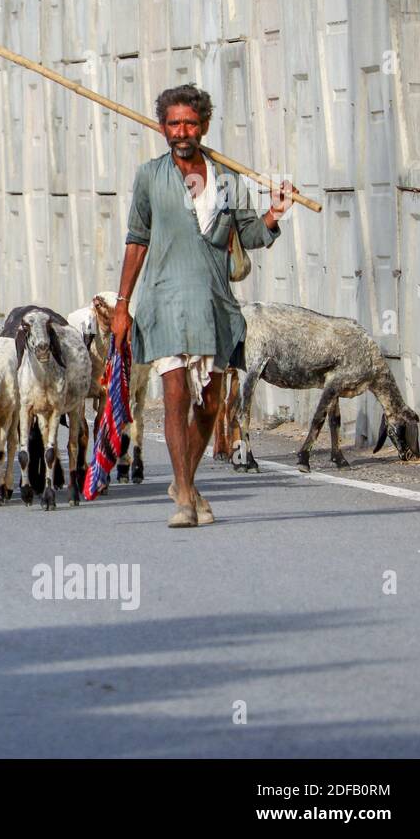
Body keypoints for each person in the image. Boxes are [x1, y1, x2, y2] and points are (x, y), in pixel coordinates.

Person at [110, 85, 297, 527]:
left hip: (213, 304)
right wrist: (122, 305)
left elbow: (248, 234)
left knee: (210, 403)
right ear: (161, 128)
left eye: (190, 123)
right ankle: (183, 501)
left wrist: (275, 213)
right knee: (175, 394)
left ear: (204, 126)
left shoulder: (227, 180)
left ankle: (186, 481)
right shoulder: (150, 177)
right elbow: (137, 240)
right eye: (173, 123)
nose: (181, 131)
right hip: (166, 300)